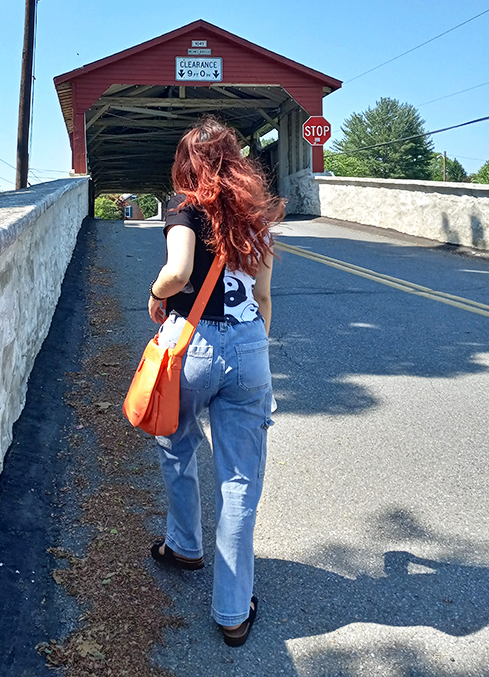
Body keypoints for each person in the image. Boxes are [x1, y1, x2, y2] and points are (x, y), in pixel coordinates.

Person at [147, 117, 285, 647]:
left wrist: (158, 296)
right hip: (249, 343)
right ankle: (232, 611)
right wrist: (252, 350)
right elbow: (266, 297)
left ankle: (184, 545)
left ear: (188, 163)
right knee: (240, 480)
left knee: (176, 444)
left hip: (191, 345)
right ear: (238, 162)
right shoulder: (256, 217)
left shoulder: (183, 205)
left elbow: (179, 271)